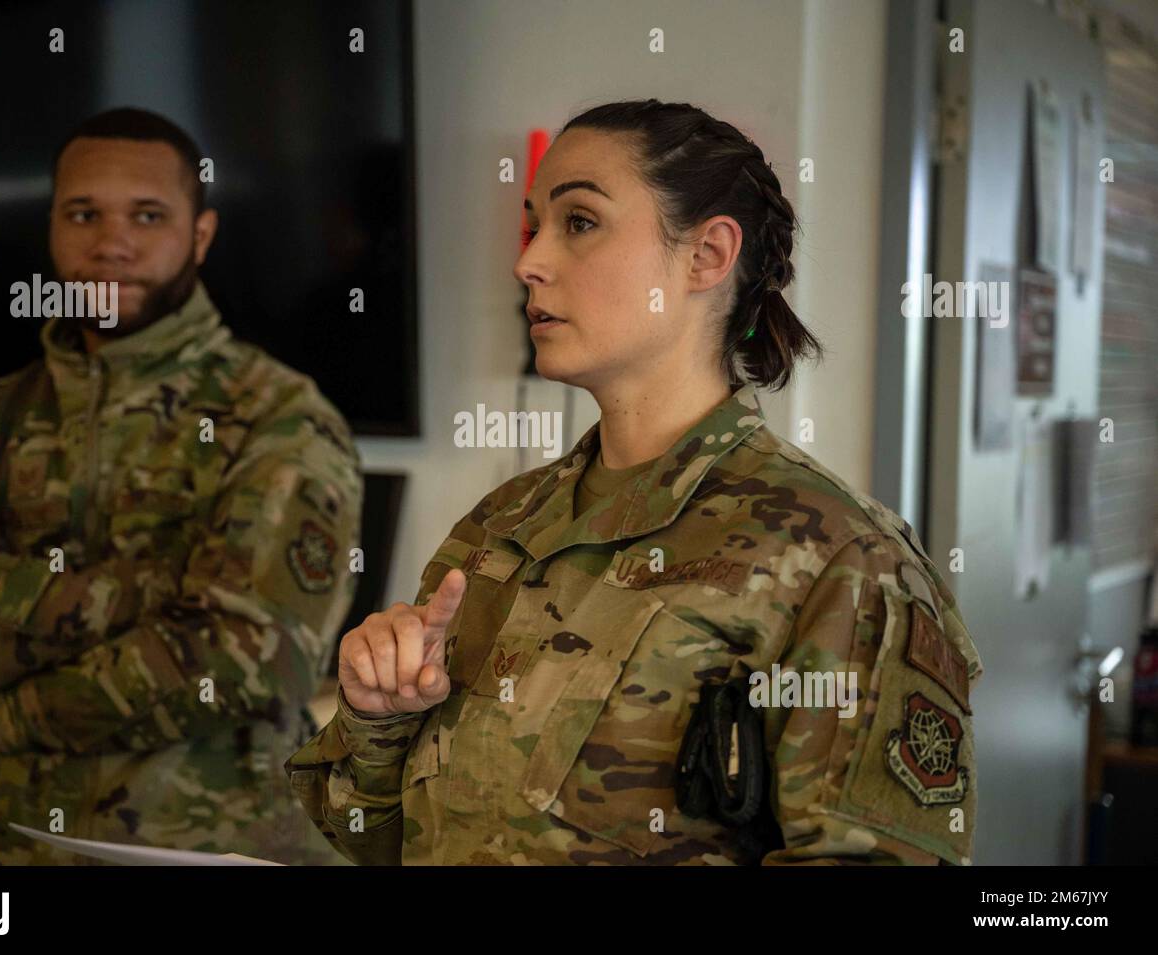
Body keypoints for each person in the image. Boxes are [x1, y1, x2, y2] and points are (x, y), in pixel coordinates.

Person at [287, 99, 982, 865]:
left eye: (579, 222)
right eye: (534, 224)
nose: (528, 261)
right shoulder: (500, 527)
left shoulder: (844, 561)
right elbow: (368, 841)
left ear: (708, 256)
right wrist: (377, 718)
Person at [0, 107, 361, 864]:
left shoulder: (281, 417)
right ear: (53, 227)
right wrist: (154, 589)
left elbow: (245, 658)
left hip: (207, 847)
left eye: (147, 215)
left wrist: (19, 713)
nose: (111, 243)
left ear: (201, 235)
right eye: (83, 212)